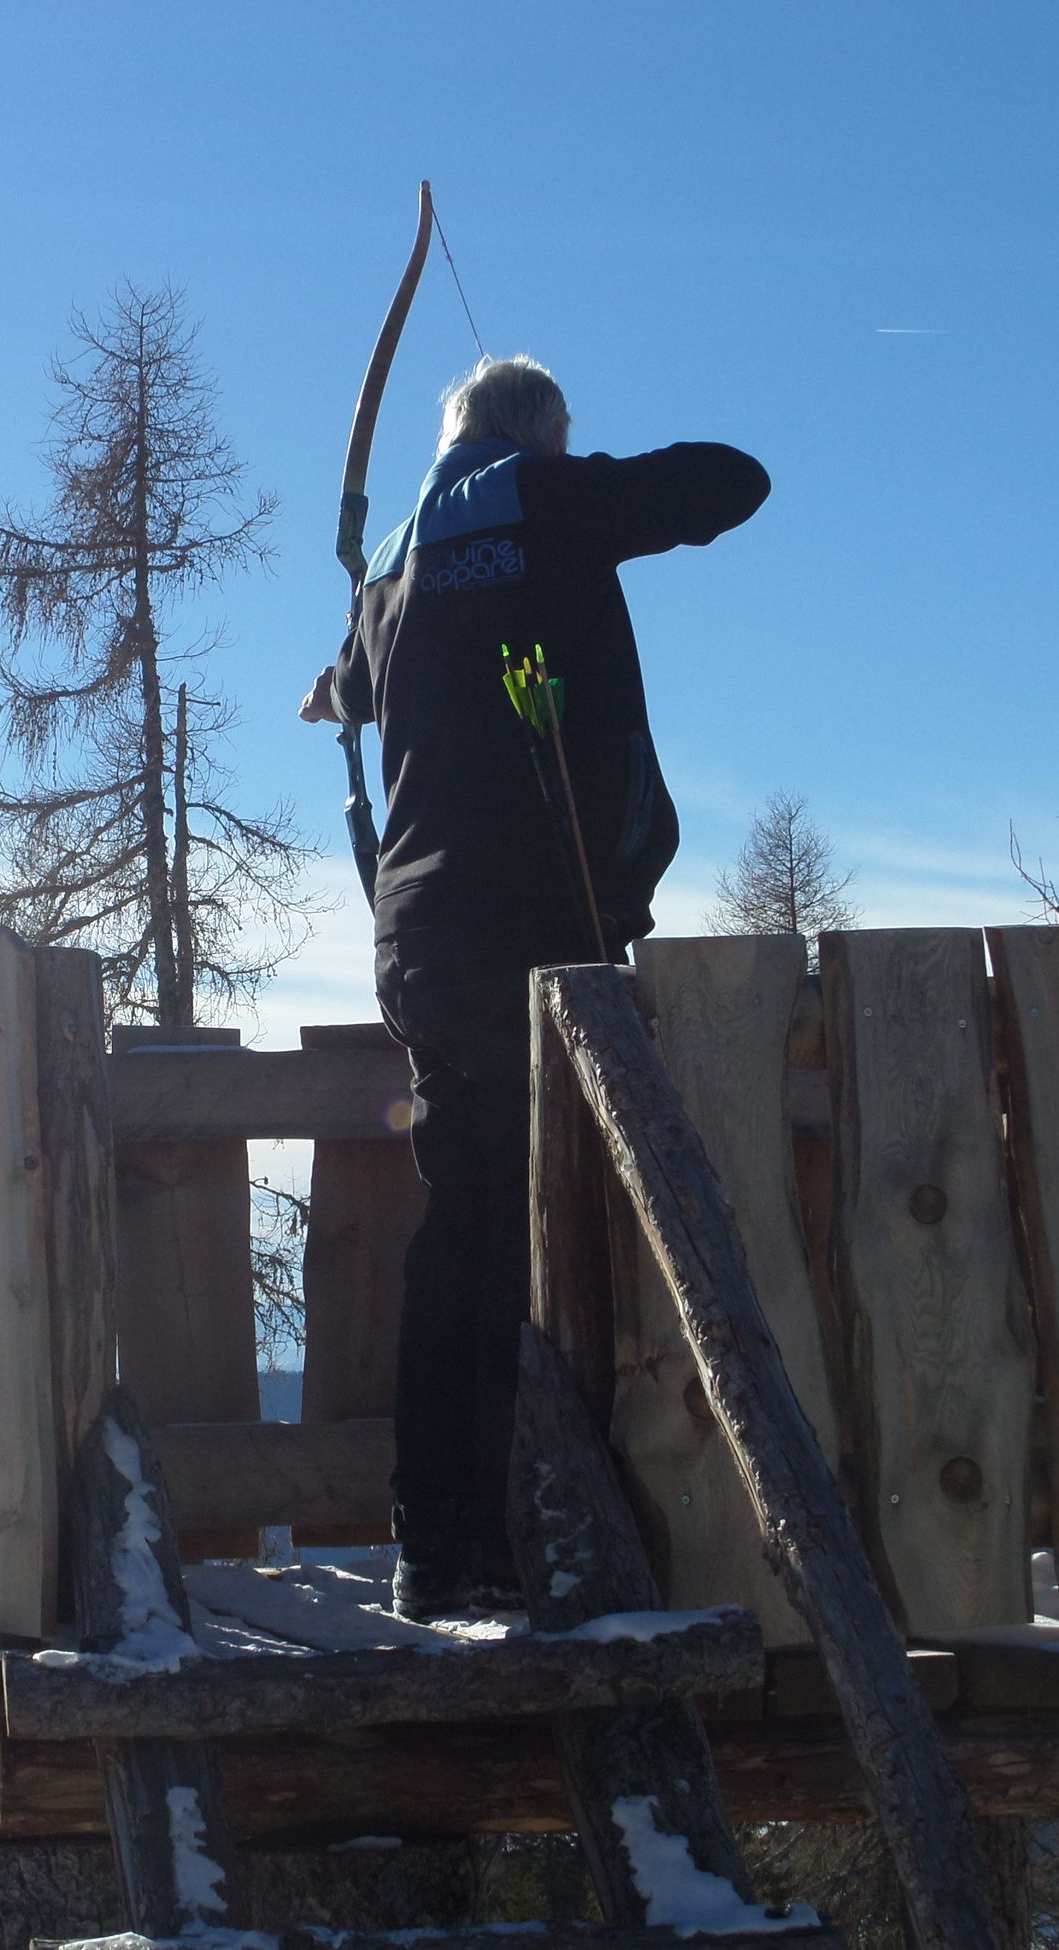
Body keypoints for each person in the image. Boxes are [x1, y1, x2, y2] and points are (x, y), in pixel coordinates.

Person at [298, 354, 769, 1619]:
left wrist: (336, 680)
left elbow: (343, 688)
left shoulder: (391, 563)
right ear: (537, 439)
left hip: (416, 933)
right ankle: (514, 1528)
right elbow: (734, 481)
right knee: (529, 1224)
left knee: (466, 1221)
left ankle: (435, 1536)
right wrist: (570, 489)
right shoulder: (543, 503)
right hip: (530, 913)